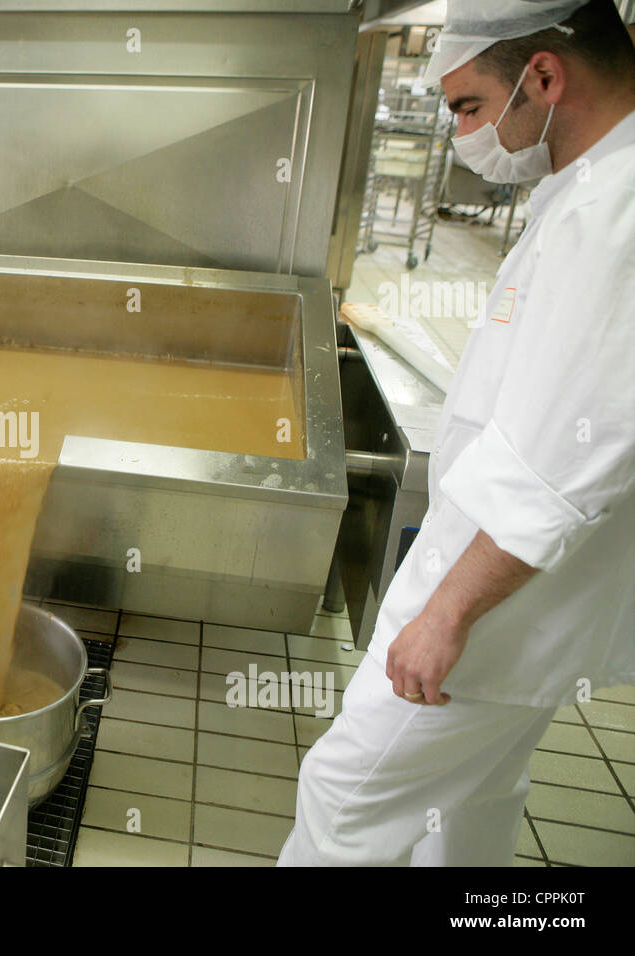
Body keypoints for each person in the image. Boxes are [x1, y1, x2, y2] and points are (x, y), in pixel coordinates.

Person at [279, 0, 635, 866]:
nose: (463, 132)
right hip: (520, 617)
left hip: (489, 617)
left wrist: (446, 612)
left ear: (544, 77)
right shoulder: (592, 187)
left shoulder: (616, 212)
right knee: (471, 806)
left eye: (470, 106)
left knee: (345, 802)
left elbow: (568, 461)